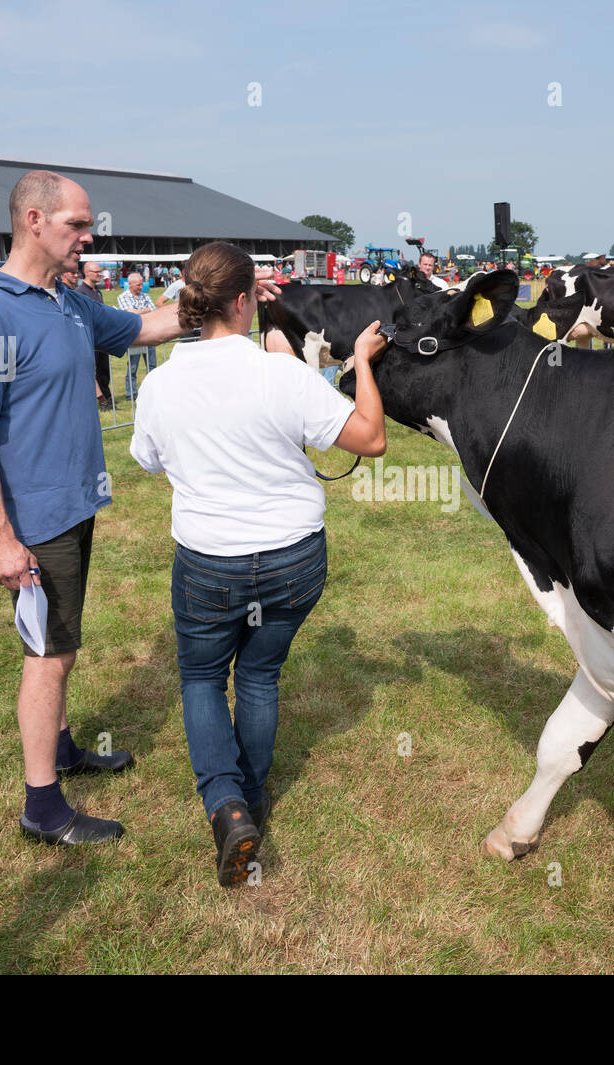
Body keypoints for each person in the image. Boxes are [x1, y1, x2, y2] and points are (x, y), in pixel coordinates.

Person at [0, 170, 279, 847]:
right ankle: (42, 805)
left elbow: (145, 327)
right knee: (49, 655)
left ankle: (64, 749)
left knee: (63, 644)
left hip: (73, 507)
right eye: (76, 223)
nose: (87, 235)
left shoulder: (68, 301)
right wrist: (1, 540)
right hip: (35, 522)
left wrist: (218, 303)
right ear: (34, 221)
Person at [129, 241, 386, 885]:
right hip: (292, 554)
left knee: (201, 679)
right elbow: (371, 439)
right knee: (261, 676)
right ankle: (254, 796)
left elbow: (149, 460)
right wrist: (360, 363)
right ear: (246, 301)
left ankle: (228, 804)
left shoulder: (160, 383)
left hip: (210, 558)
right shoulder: (284, 373)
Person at [75, 261, 115, 410]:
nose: (99, 275)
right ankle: (99, 401)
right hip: (89, 338)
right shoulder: (80, 292)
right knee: (90, 371)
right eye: (96, 272)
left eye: (100, 272)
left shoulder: (97, 291)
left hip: (101, 338)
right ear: (87, 272)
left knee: (104, 369)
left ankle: (107, 399)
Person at [116, 270, 158, 401]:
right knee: (133, 367)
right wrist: (145, 310)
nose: (141, 287)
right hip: (135, 337)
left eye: (141, 284)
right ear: (130, 284)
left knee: (152, 366)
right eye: (138, 285)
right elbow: (130, 314)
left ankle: (153, 391)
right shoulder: (122, 297)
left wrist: (139, 312)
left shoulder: (146, 296)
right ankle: (131, 393)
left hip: (149, 335)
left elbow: (154, 310)